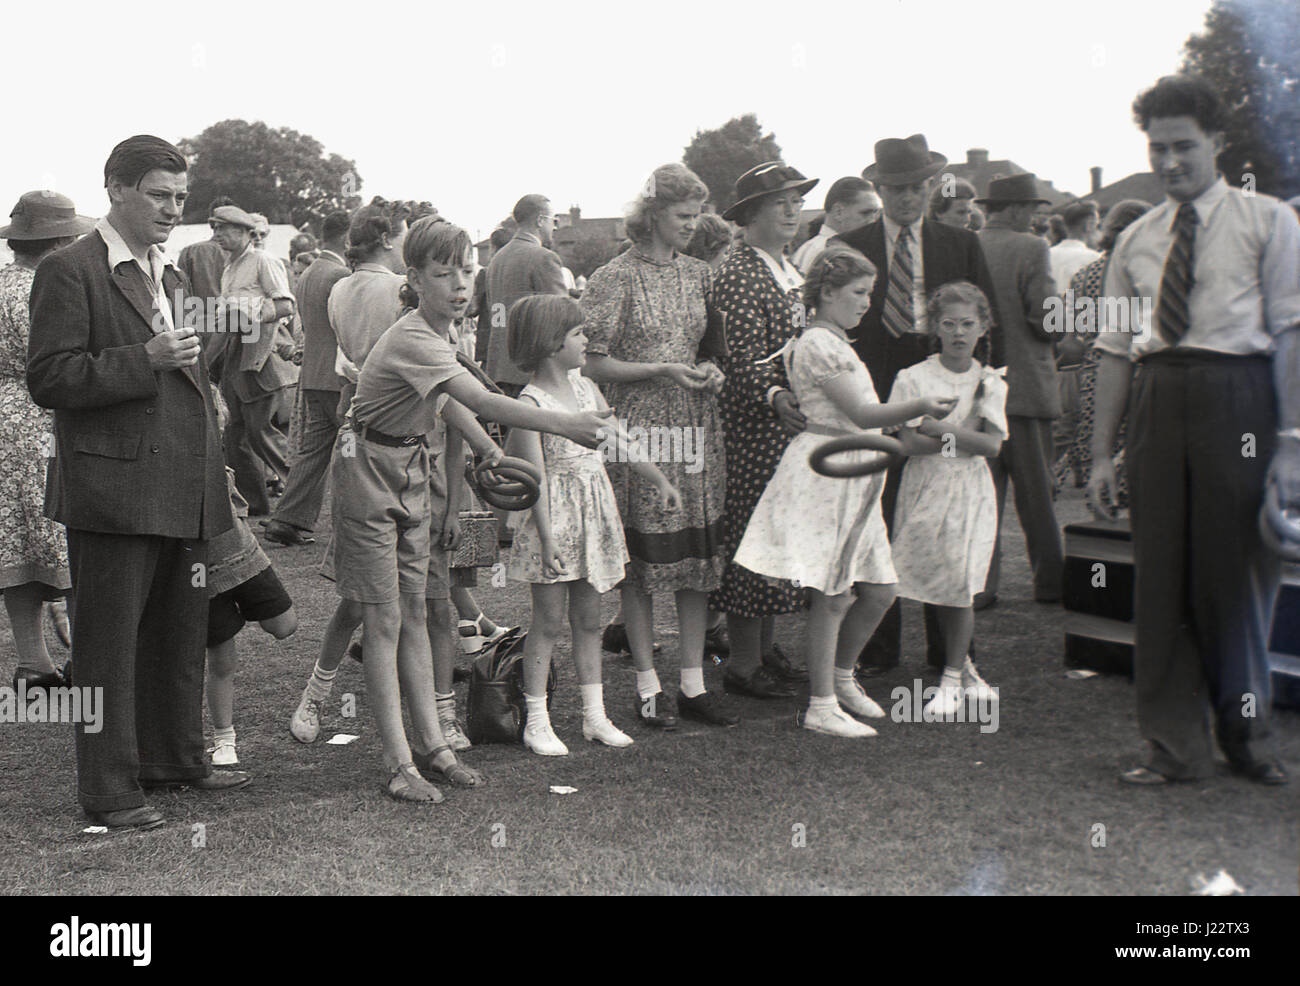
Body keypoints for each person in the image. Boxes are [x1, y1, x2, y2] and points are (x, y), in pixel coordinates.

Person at [320, 216, 611, 801]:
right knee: (384, 621)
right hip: (366, 473)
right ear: (415, 278)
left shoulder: (444, 335)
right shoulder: (414, 337)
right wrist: (568, 423)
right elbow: (478, 397)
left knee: (418, 615)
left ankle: (434, 747)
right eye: (442, 272)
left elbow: (450, 402)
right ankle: (400, 764)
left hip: (408, 470)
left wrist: (483, 449)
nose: (459, 283)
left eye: (466, 270)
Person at [27, 135, 244, 830]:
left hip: (185, 482)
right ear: (115, 189)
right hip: (112, 491)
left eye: (180, 197)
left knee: (180, 634)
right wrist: (143, 357)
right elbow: (50, 377)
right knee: (107, 651)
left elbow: (191, 376)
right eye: (159, 195)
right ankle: (111, 792)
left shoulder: (171, 273)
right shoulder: (69, 269)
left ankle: (174, 761)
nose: (173, 210)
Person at [1090, 75, 1300, 787]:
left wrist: (1291, 446)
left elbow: (1292, 334)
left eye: (1184, 146)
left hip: (1240, 400)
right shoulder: (1134, 241)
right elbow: (1115, 353)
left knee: (1237, 580)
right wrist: (1099, 453)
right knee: (1161, 583)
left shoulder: (1270, 221)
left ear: (1217, 142)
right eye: (1158, 149)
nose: (1171, 162)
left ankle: (1248, 738)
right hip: (1159, 400)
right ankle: (1173, 747)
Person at [733, 245, 957, 736]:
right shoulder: (818, 343)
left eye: (870, 292)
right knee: (832, 595)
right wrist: (920, 403)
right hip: (828, 474)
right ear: (828, 293)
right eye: (858, 292)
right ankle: (820, 704)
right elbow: (862, 414)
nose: (866, 302)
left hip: (855, 472)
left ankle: (840, 676)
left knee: (880, 590)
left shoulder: (835, 340)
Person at [836, 134, 1002, 674]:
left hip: (945, 379)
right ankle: (877, 650)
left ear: (932, 187)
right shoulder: (853, 243)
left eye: (916, 187)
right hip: (875, 388)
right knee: (877, 513)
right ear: (880, 189)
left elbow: (987, 321)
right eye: (895, 188)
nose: (907, 197)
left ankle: (951, 652)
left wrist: (983, 392)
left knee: (945, 518)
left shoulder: (960, 243)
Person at [581, 163, 730, 727]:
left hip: (694, 427)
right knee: (643, 565)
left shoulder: (699, 274)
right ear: (652, 216)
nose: (693, 225)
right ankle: (647, 684)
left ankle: (693, 683)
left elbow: (710, 347)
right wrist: (661, 368)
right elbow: (592, 361)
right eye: (683, 215)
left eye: (697, 215)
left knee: (695, 561)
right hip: (639, 428)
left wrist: (711, 371)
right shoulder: (614, 277)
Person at [508, 295, 681, 755]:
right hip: (553, 522)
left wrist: (659, 478)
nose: (588, 340)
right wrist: (545, 540)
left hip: (592, 515)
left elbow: (619, 438)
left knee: (589, 620)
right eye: (578, 333)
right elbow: (534, 481)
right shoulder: (530, 405)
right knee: (547, 622)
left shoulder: (585, 388)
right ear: (550, 343)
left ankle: (594, 716)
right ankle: (537, 720)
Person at [711, 162, 823, 707]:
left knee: (780, 537)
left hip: (791, 426)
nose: (791, 209)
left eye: (796, 200)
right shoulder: (737, 272)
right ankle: (743, 660)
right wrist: (774, 395)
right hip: (753, 427)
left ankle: (767, 649)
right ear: (751, 213)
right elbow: (738, 358)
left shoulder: (789, 268)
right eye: (780, 201)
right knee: (752, 537)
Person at [888, 282, 1004, 715]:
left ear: (983, 327)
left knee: (959, 581)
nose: (958, 333)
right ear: (934, 326)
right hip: (924, 486)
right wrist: (959, 436)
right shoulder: (913, 378)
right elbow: (906, 445)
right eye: (949, 324)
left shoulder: (990, 381)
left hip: (970, 489)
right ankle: (965, 669)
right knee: (928, 576)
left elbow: (992, 447)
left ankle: (952, 677)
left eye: (968, 324)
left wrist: (939, 431)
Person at [1, 192, 93, 692]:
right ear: (59, 240)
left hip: (2, 424)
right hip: (45, 419)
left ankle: (32, 663)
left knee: (16, 542)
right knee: (70, 537)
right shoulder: (49, 286)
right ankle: (87, 655)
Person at [976, 174, 1064, 607]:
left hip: (977, 390)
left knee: (982, 496)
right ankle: (1050, 583)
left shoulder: (965, 243)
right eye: (1030, 208)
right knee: (1037, 498)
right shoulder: (1032, 248)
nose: (1034, 216)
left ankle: (981, 585)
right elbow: (1044, 320)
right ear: (1013, 209)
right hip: (1025, 388)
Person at [204, 385, 297, 766]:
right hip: (202, 572)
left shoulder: (216, 446)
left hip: (243, 556)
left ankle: (233, 617)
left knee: (285, 625)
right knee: (222, 658)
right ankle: (224, 738)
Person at [1051, 200, 1152, 500]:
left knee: (1102, 445)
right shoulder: (1144, 272)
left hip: (1096, 371)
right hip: (1140, 369)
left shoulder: (1086, 274)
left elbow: (1076, 330)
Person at [263, 210, 351, 546]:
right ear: (345, 237)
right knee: (352, 452)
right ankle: (354, 523)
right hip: (336, 377)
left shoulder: (312, 271)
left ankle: (287, 519)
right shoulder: (339, 273)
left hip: (313, 374)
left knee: (312, 454)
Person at [210, 204, 296, 516]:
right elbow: (224, 323)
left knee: (262, 433)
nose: (217, 235)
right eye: (215, 228)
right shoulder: (229, 266)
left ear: (246, 233)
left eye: (224, 229)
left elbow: (285, 306)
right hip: (235, 354)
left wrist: (245, 316)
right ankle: (254, 504)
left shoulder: (264, 261)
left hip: (259, 356)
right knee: (235, 435)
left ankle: (297, 495)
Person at [484, 194, 567, 395]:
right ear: (540, 220)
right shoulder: (543, 258)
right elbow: (563, 318)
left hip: (499, 369)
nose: (555, 227)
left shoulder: (497, 260)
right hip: (534, 375)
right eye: (553, 220)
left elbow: (495, 314)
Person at [178, 196, 235, 366]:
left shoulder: (190, 252)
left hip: (199, 334)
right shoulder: (242, 257)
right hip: (235, 335)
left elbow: (177, 297)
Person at [791, 177, 881, 274]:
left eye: (875, 213)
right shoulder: (828, 253)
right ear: (838, 212)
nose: (873, 221)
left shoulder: (812, 247)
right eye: (865, 213)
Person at [1049, 201, 1101, 293]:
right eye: (1097, 225)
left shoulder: (1047, 253)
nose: (1099, 233)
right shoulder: (1095, 259)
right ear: (1088, 225)